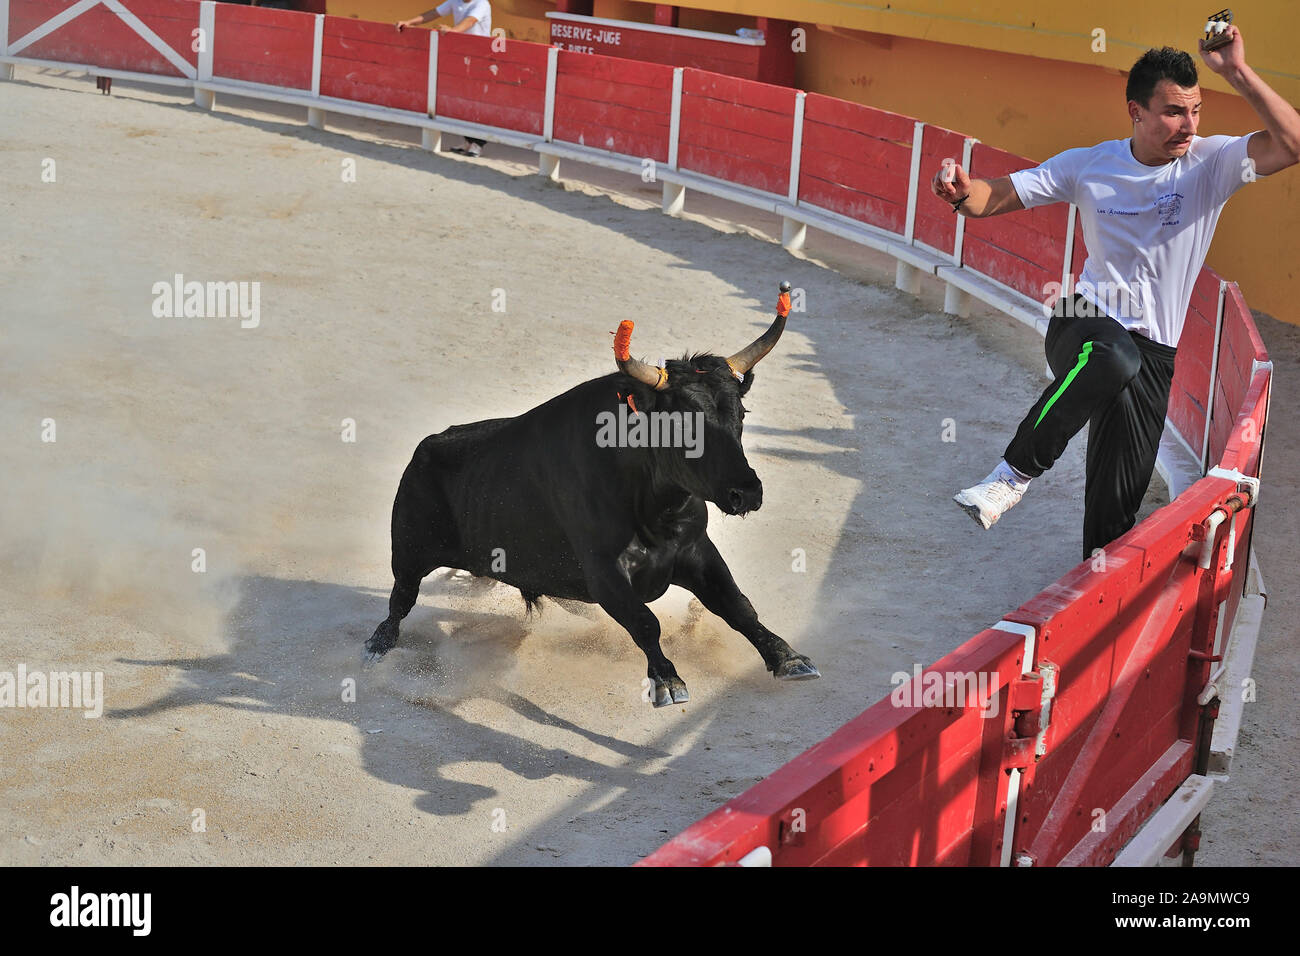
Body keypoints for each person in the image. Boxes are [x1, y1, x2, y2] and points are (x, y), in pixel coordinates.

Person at [934, 27, 1298, 561]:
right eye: (1174, 111)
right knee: (1112, 355)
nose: (1189, 125)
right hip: (1084, 319)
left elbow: (1292, 145)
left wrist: (1237, 72)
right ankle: (1010, 476)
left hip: (1155, 354)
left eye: (1196, 110)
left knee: (1115, 514)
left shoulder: (1211, 164)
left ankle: (1086, 615)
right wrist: (962, 192)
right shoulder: (1090, 164)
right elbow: (995, 196)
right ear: (1136, 111)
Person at [397, 0, 493, 157]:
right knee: (462, 98)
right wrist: (409, 22)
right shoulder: (456, 1)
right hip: (462, 55)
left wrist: (453, 31)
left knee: (476, 101)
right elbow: (433, 13)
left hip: (480, 58)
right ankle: (468, 142)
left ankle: (478, 144)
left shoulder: (482, 3)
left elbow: (470, 21)